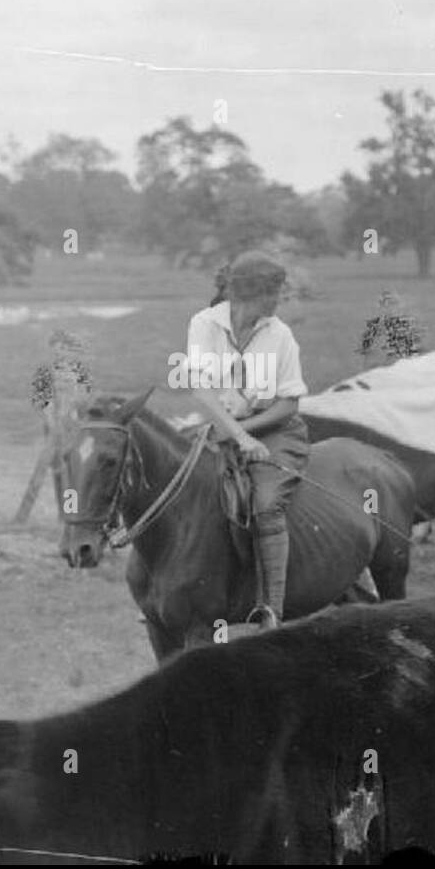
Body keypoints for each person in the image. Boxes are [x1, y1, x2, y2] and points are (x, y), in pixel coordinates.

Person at [185, 252, 309, 628]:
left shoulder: (280, 334)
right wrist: (235, 433)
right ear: (253, 294)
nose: (279, 300)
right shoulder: (204, 324)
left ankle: (270, 607)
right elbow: (200, 388)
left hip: (275, 429)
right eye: (276, 292)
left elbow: (289, 402)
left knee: (266, 502)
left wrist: (247, 433)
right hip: (221, 424)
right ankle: (177, 590)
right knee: (182, 485)